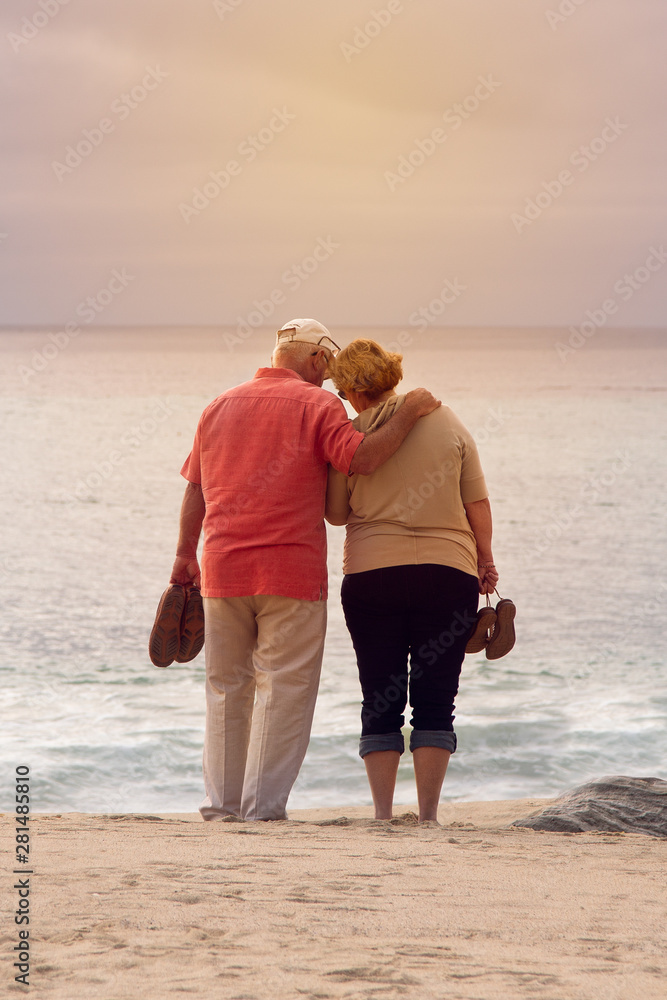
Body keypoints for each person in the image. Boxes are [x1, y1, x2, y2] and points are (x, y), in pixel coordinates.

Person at [170, 319, 441, 821]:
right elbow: (361, 458)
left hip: (222, 570)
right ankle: (262, 811)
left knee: (226, 690)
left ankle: (222, 809)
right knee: (285, 689)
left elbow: (195, 489)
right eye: (328, 365)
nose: (330, 377)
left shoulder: (218, 405)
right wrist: (409, 412)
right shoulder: (318, 405)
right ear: (316, 358)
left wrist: (185, 557)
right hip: (290, 575)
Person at [325, 339, 499, 823]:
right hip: (447, 575)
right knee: (435, 697)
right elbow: (477, 503)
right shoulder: (448, 421)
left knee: (379, 694)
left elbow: (336, 514)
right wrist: (485, 558)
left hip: (371, 576)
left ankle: (383, 815)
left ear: (352, 390)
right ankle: (427, 817)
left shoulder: (352, 435)